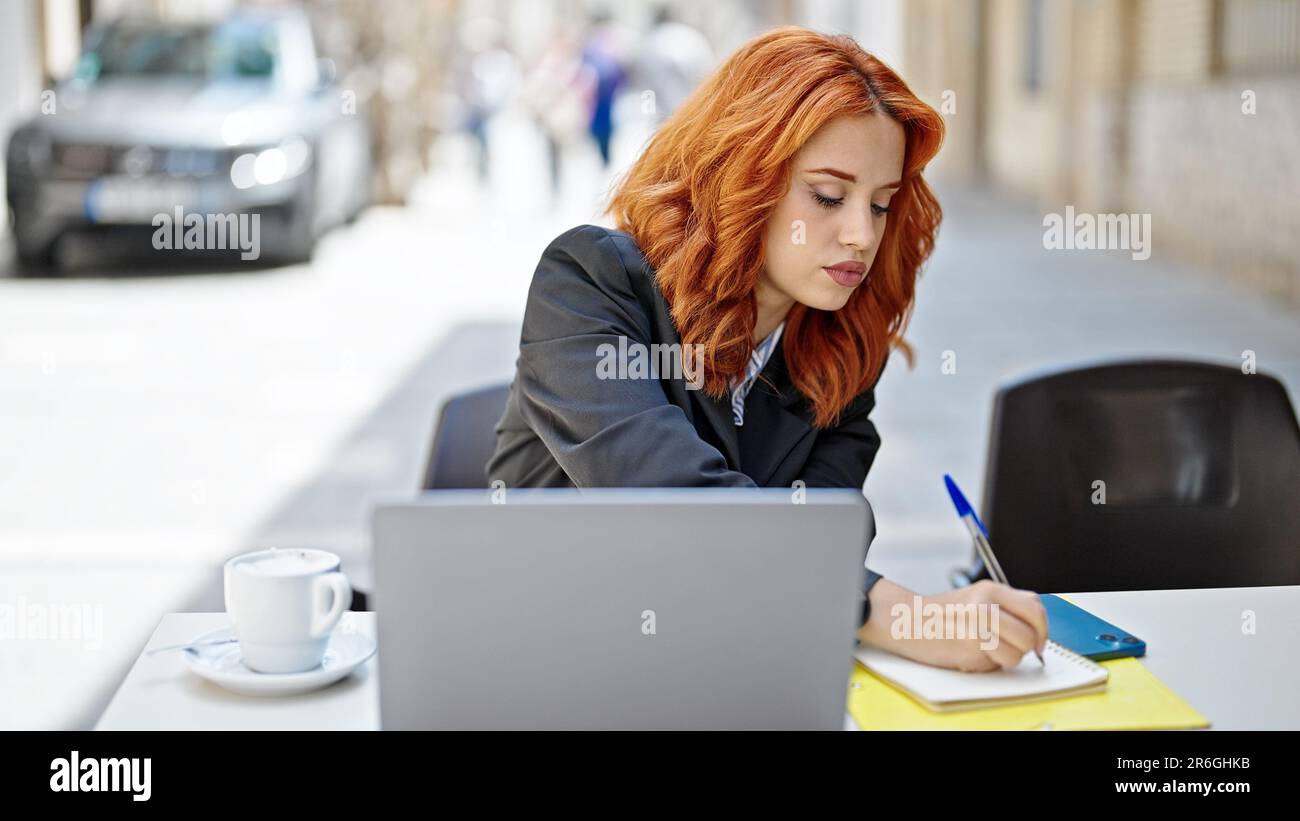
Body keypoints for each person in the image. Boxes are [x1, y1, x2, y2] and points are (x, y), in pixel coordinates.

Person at [487, 27, 1048, 673]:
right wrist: (897, 612)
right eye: (829, 197)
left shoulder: (841, 345)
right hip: (549, 654)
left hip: (727, 657)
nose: (861, 234)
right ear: (742, 176)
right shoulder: (587, 280)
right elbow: (667, 498)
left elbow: (827, 531)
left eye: (882, 203)